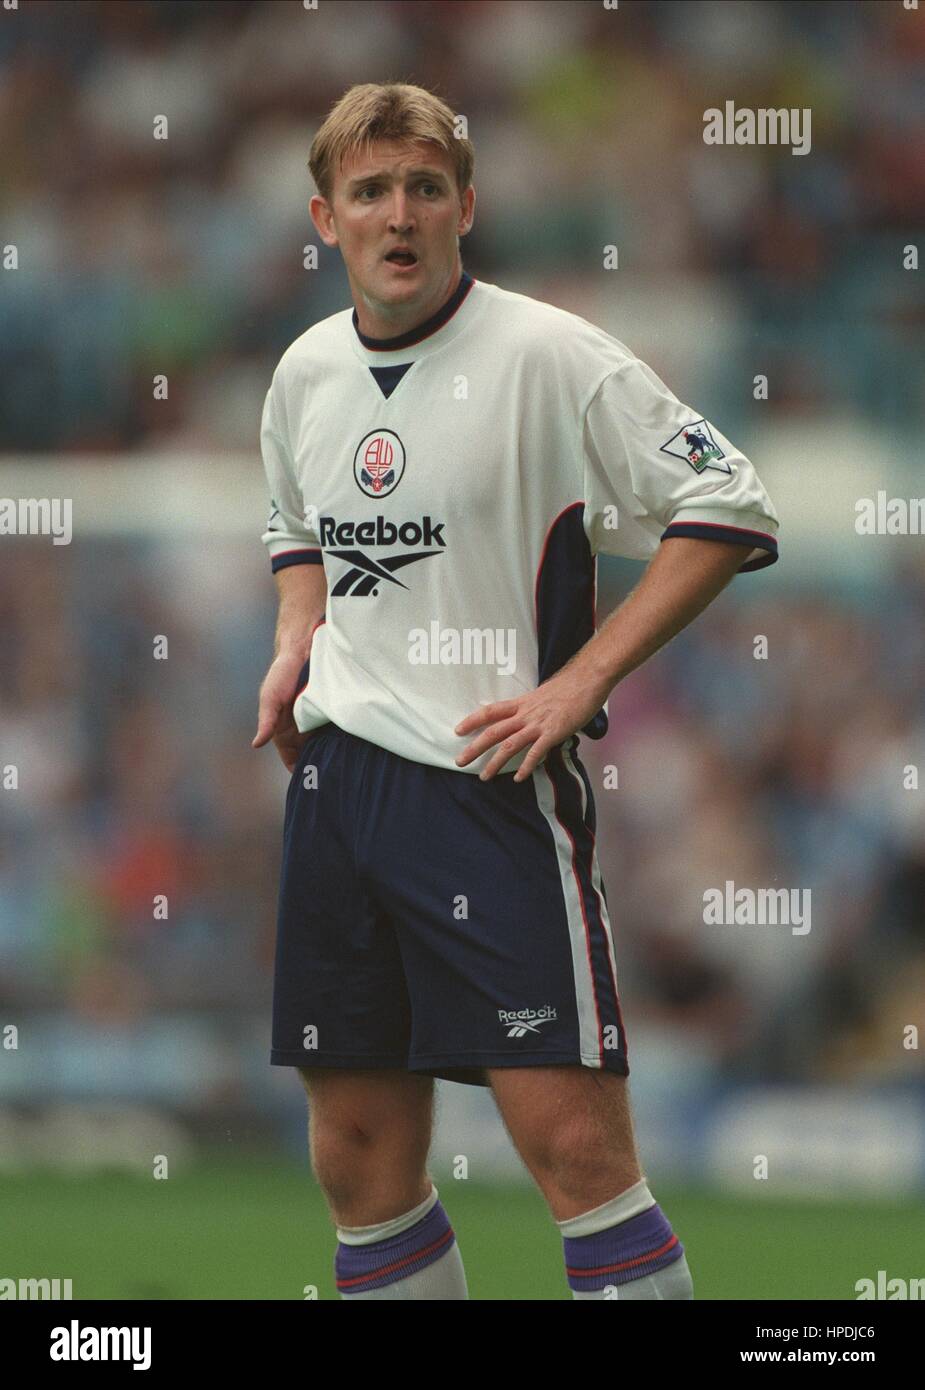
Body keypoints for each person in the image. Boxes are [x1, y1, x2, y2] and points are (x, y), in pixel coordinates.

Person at [253, 82, 779, 1301]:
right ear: (324, 218)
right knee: (360, 1161)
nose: (400, 214)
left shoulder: (553, 354)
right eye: (372, 191)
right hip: (335, 791)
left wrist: (581, 680)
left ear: (466, 207)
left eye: (425, 188)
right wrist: (296, 636)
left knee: (578, 1154)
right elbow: (295, 525)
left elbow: (729, 503)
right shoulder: (304, 373)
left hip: (488, 790)